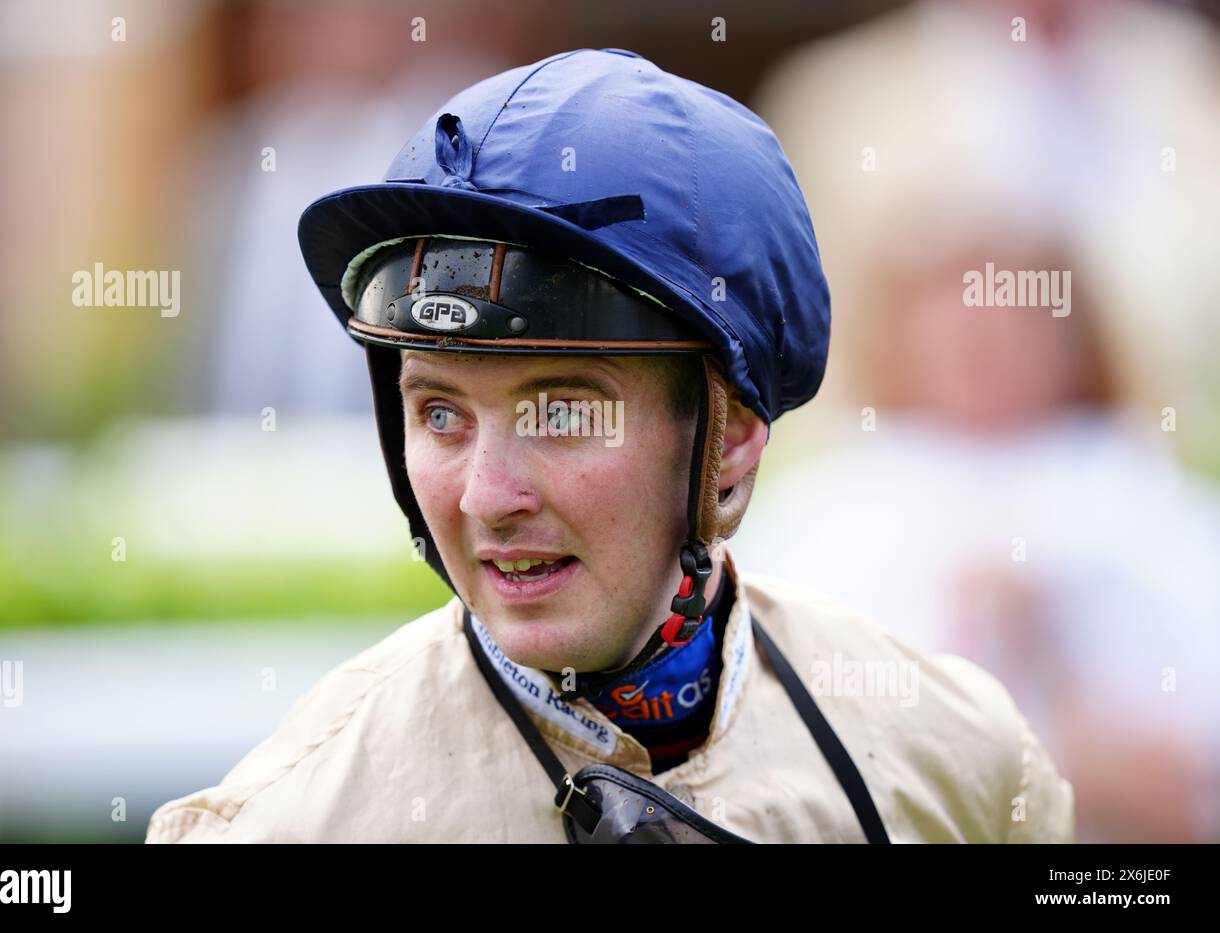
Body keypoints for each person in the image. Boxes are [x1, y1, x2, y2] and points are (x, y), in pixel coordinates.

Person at [145, 48, 1074, 843]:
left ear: (735, 439)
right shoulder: (284, 825)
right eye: (439, 414)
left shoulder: (965, 764)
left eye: (562, 410)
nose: (483, 496)